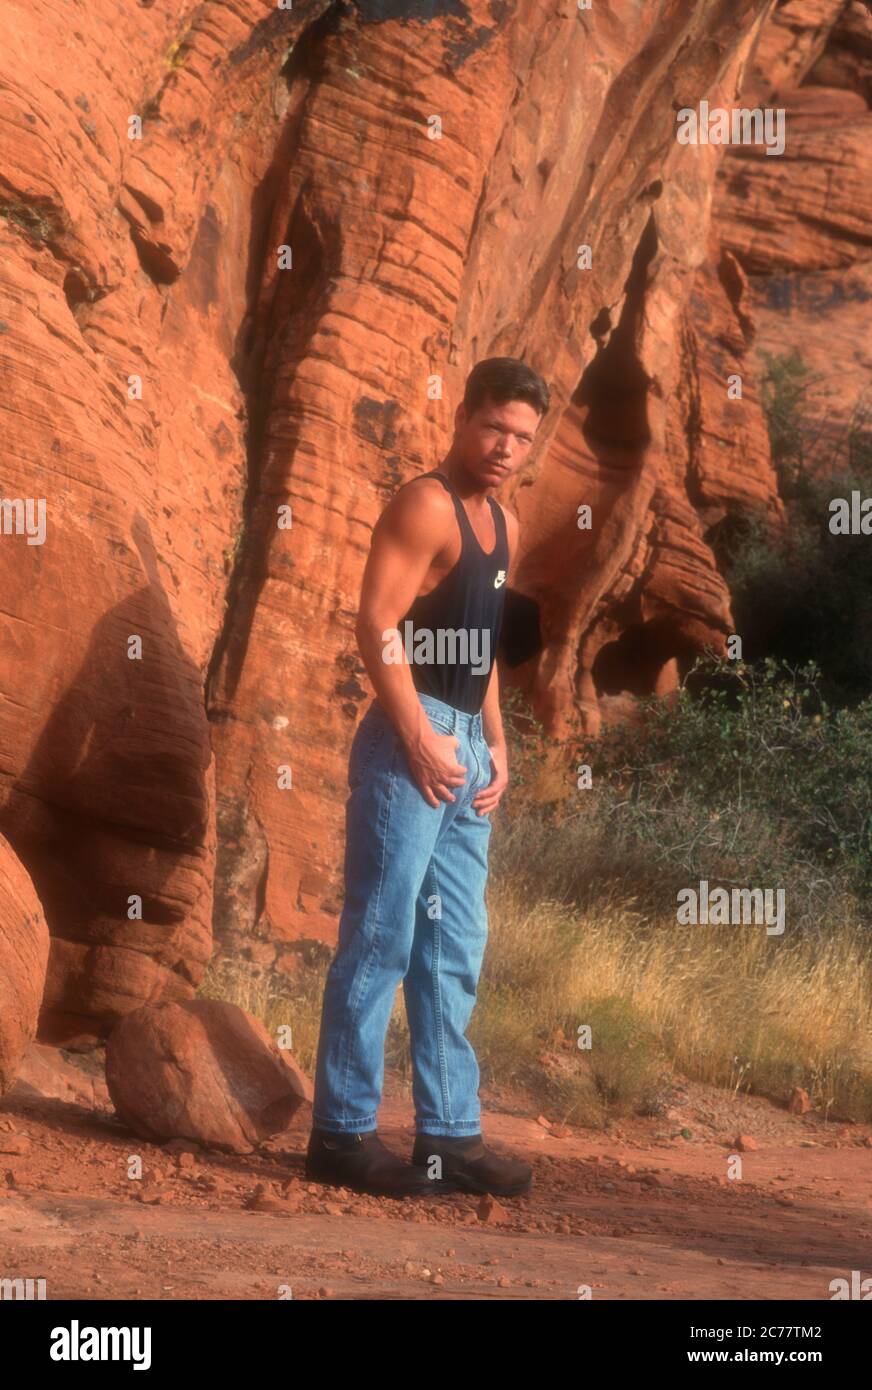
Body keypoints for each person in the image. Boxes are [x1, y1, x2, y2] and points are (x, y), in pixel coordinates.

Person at [306, 357, 550, 1198]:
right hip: (410, 742)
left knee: (453, 948)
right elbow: (375, 621)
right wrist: (419, 737)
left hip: (466, 752)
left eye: (522, 437)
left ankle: (449, 1137)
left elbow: (476, 649)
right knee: (380, 937)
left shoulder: (504, 527)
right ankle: (339, 1136)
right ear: (463, 418)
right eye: (495, 427)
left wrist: (496, 745)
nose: (505, 447)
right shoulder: (426, 504)